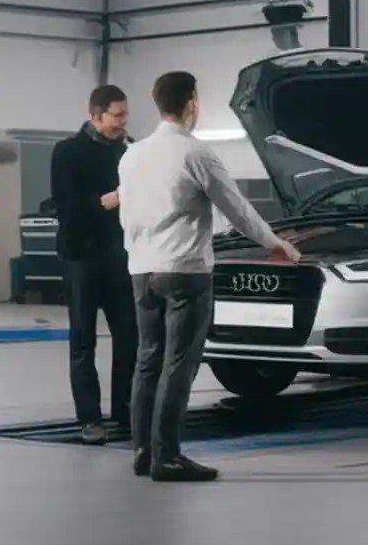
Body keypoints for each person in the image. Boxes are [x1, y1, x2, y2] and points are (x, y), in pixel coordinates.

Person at [118, 71, 301, 482]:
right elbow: (238, 209)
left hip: (142, 270)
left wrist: (138, 254)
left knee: (147, 360)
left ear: (157, 103)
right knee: (178, 364)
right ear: (193, 103)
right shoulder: (196, 154)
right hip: (184, 271)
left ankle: (144, 452)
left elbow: (127, 214)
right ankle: (168, 456)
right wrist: (276, 244)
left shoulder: (131, 155)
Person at [51, 85, 138, 445]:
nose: (122, 123)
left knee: (130, 337)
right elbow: (66, 206)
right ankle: (90, 418)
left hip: (120, 257)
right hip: (82, 257)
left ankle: (127, 411)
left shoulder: (130, 152)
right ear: (95, 115)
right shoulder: (68, 152)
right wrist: (105, 203)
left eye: (124, 116)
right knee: (83, 340)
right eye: (116, 116)